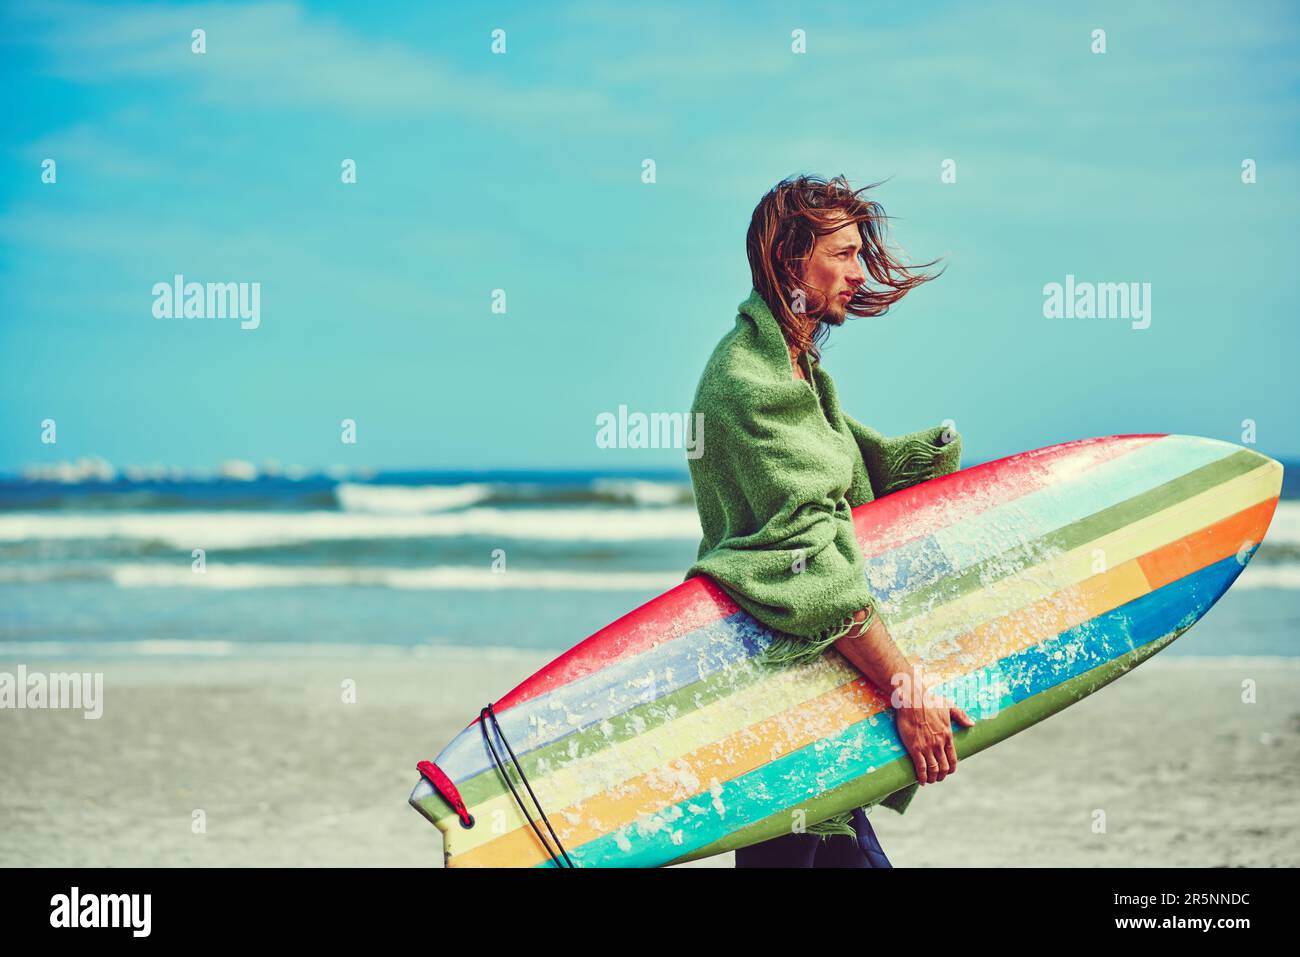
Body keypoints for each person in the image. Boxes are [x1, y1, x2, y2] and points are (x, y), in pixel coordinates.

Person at [683, 174, 976, 868]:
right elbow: (811, 563)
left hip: (801, 704)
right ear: (791, 260)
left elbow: (849, 476)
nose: (859, 271)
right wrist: (906, 690)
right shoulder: (752, 383)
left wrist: (928, 463)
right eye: (841, 254)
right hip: (779, 705)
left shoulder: (793, 369)